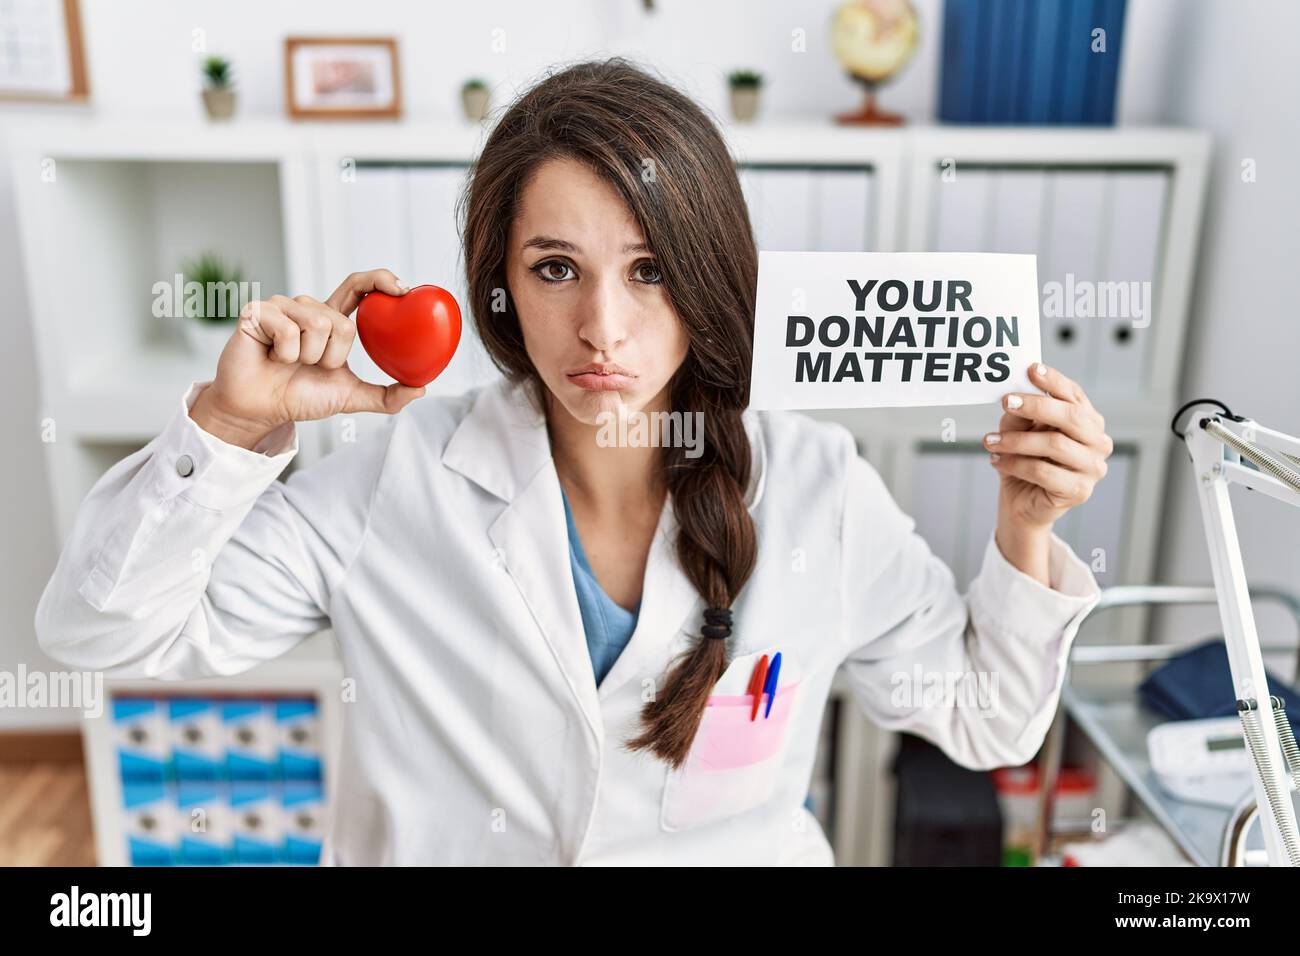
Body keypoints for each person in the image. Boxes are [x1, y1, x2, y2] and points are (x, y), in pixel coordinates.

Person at [35, 58, 1110, 865]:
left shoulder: (819, 488)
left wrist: (1024, 526)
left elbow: (984, 718)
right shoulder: (395, 479)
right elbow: (98, 630)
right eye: (556, 267)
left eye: (649, 270)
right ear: (498, 280)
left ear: (710, 274)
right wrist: (227, 430)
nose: (601, 326)